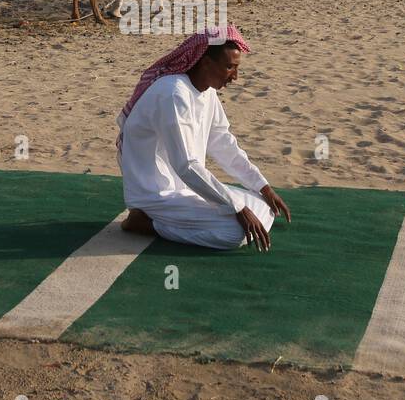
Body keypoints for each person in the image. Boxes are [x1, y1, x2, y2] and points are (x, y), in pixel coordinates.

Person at [116, 25, 290, 251]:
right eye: (230, 67)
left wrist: (263, 187)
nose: (235, 77)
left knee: (264, 207)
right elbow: (186, 165)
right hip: (158, 196)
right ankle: (146, 222)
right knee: (235, 234)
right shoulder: (173, 94)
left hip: (187, 190)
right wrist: (237, 208)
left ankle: (184, 219)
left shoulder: (206, 91)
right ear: (206, 62)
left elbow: (223, 143)